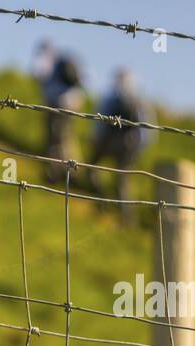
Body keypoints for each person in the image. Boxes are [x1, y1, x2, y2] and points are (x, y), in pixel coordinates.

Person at [85, 68, 151, 220]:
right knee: (122, 180)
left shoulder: (111, 98)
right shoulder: (139, 100)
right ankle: (125, 214)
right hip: (129, 146)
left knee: (92, 168)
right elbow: (147, 131)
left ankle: (102, 200)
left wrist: (96, 139)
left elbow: (100, 123)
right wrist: (138, 146)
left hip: (109, 143)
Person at [35, 43, 86, 183]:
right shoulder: (63, 60)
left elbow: (41, 77)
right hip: (72, 103)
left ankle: (56, 172)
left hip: (58, 104)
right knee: (66, 137)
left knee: (54, 138)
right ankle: (72, 171)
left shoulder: (48, 61)